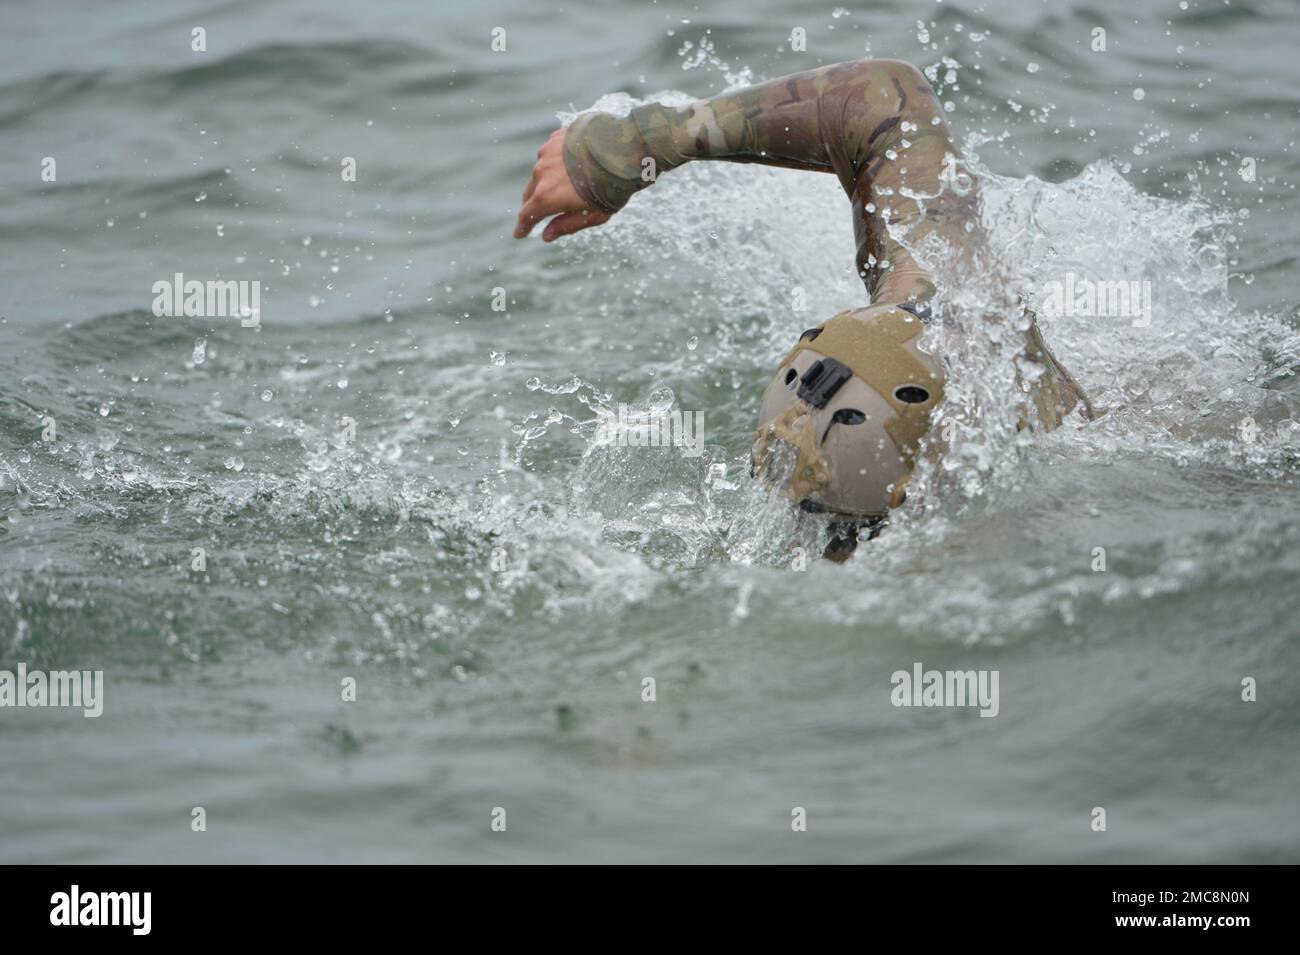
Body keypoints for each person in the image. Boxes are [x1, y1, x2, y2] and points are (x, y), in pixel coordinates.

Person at [514, 58, 1093, 560]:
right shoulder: (982, 325)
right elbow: (888, 91)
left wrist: (633, 147)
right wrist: (641, 143)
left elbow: (883, 98)